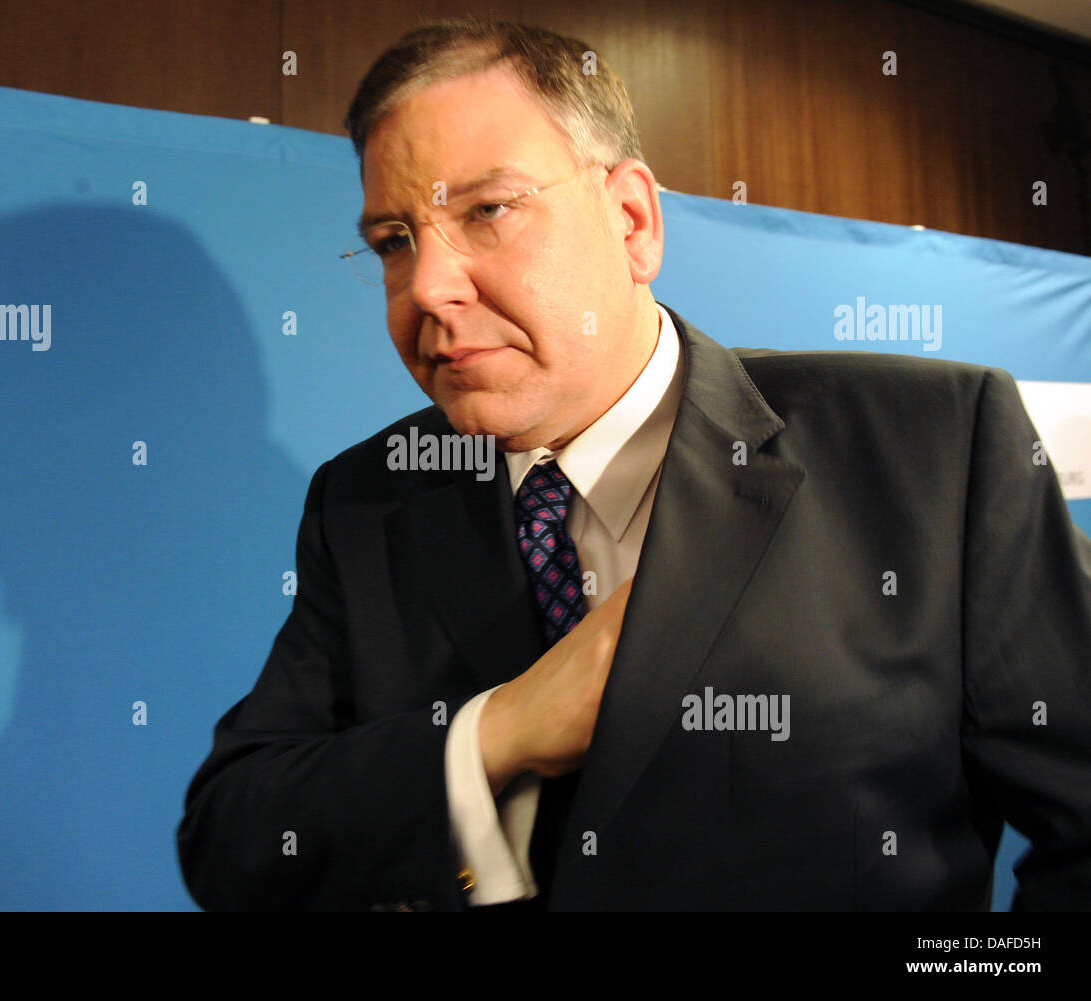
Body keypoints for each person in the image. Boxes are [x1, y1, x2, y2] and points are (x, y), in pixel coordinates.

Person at [176, 18, 1091, 911]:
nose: (427, 286)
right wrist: (497, 731)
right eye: (394, 242)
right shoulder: (366, 501)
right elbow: (235, 839)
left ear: (632, 220)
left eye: (488, 210)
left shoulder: (934, 445)